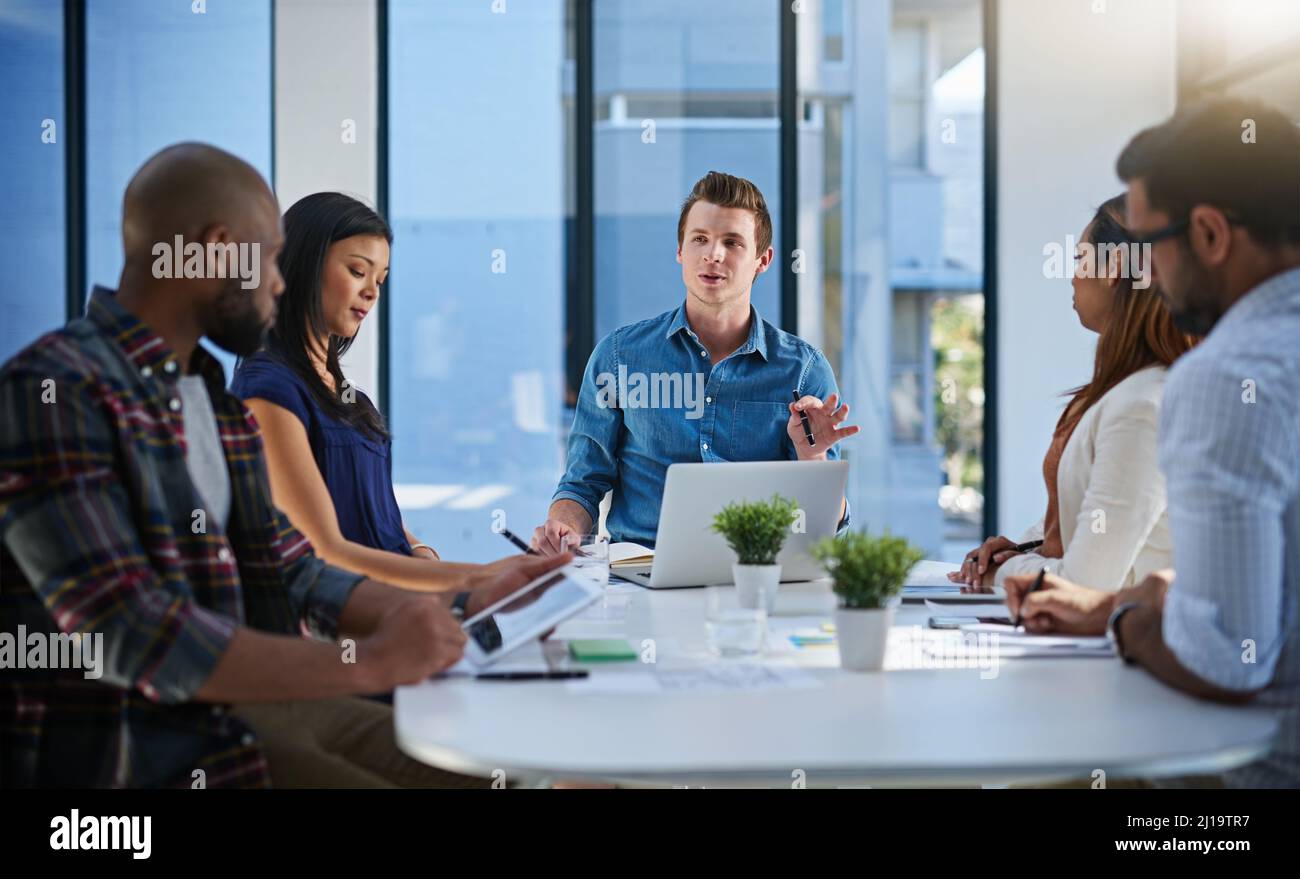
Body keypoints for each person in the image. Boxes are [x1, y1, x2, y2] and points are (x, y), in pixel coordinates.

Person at [0, 143, 569, 787]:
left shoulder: (211, 401)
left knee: (507, 775)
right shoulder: (56, 391)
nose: (278, 280)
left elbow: (293, 568)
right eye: (271, 257)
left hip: (259, 711)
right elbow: (130, 631)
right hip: (137, 753)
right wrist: (368, 665)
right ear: (216, 249)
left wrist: (466, 594)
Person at [1005, 98, 1300, 788]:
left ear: (1208, 234)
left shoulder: (1225, 375)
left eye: (1150, 246)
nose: (1146, 275)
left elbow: (1224, 662)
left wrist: (1125, 619)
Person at [533, 171, 858, 552]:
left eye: (732, 242)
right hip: (638, 576)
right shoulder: (618, 357)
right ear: (680, 251)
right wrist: (562, 527)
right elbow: (582, 483)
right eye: (700, 239)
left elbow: (825, 534)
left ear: (762, 260)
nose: (713, 254)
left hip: (755, 579)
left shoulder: (803, 371)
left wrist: (814, 457)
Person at [232, 192, 509, 592]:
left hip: (401, 603)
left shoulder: (354, 402)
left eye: (380, 279)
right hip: (350, 618)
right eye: (358, 271)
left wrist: (423, 552)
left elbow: (385, 521)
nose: (372, 291)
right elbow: (324, 551)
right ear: (305, 264)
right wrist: (479, 578)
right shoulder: (269, 390)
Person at [952, 195, 1195, 592]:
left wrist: (1000, 575)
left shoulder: (1142, 405)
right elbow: (1085, 524)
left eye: (1081, 259)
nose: (1073, 274)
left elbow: (1083, 585)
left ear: (1115, 269)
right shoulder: (1120, 393)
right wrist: (1024, 549)